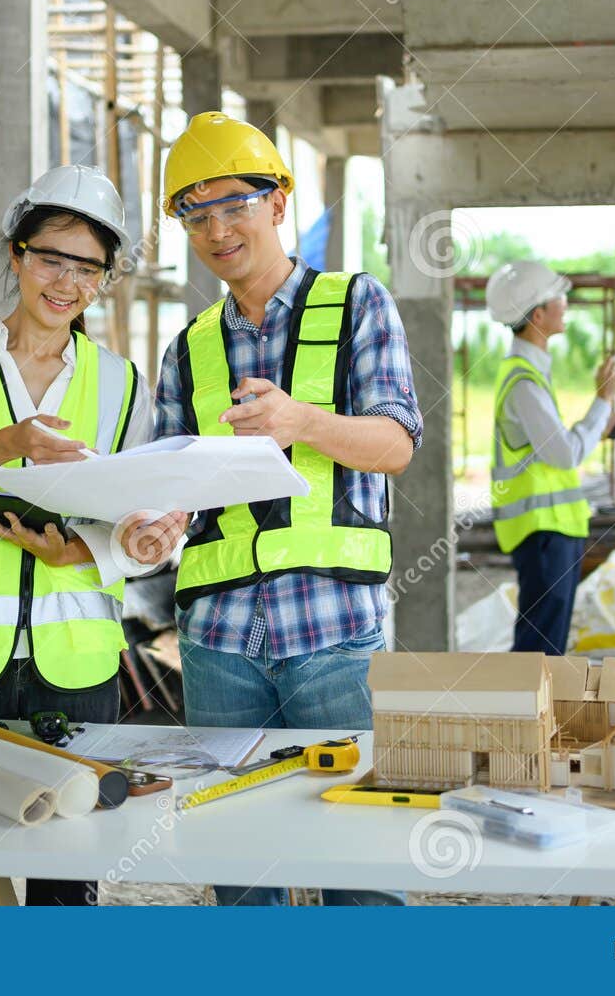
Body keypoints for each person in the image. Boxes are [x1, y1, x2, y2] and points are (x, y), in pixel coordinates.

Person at [0, 164, 185, 906]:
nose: (67, 281)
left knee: (69, 868)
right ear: (17, 253)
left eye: (89, 267)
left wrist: (137, 544)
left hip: (78, 665)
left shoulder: (121, 383)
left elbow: (140, 516)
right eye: (52, 257)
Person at [146, 111, 422, 907]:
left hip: (334, 635)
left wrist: (300, 420)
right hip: (217, 647)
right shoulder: (189, 346)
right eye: (195, 215)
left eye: (234, 204)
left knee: (363, 873)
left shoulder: (356, 304)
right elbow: (177, 486)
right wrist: (153, 525)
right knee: (238, 877)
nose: (217, 229)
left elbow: (396, 444)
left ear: (279, 202)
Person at [485, 260, 615, 655]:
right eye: (557, 298)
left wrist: (602, 421)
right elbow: (564, 455)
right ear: (538, 315)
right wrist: (601, 399)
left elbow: (554, 449)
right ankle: (522, 716)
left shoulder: (530, 374)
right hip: (543, 533)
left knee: (547, 645)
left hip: (551, 531)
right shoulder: (524, 382)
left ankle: (533, 714)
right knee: (539, 649)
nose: (566, 304)